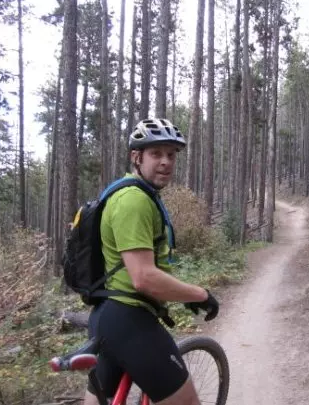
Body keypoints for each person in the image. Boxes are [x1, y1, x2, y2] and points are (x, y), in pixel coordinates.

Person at [84, 118, 219, 405]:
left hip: (106, 318)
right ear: (137, 157)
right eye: (156, 154)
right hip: (131, 322)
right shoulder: (135, 201)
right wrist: (200, 294)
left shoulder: (125, 193)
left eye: (171, 155)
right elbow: (143, 277)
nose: (165, 162)